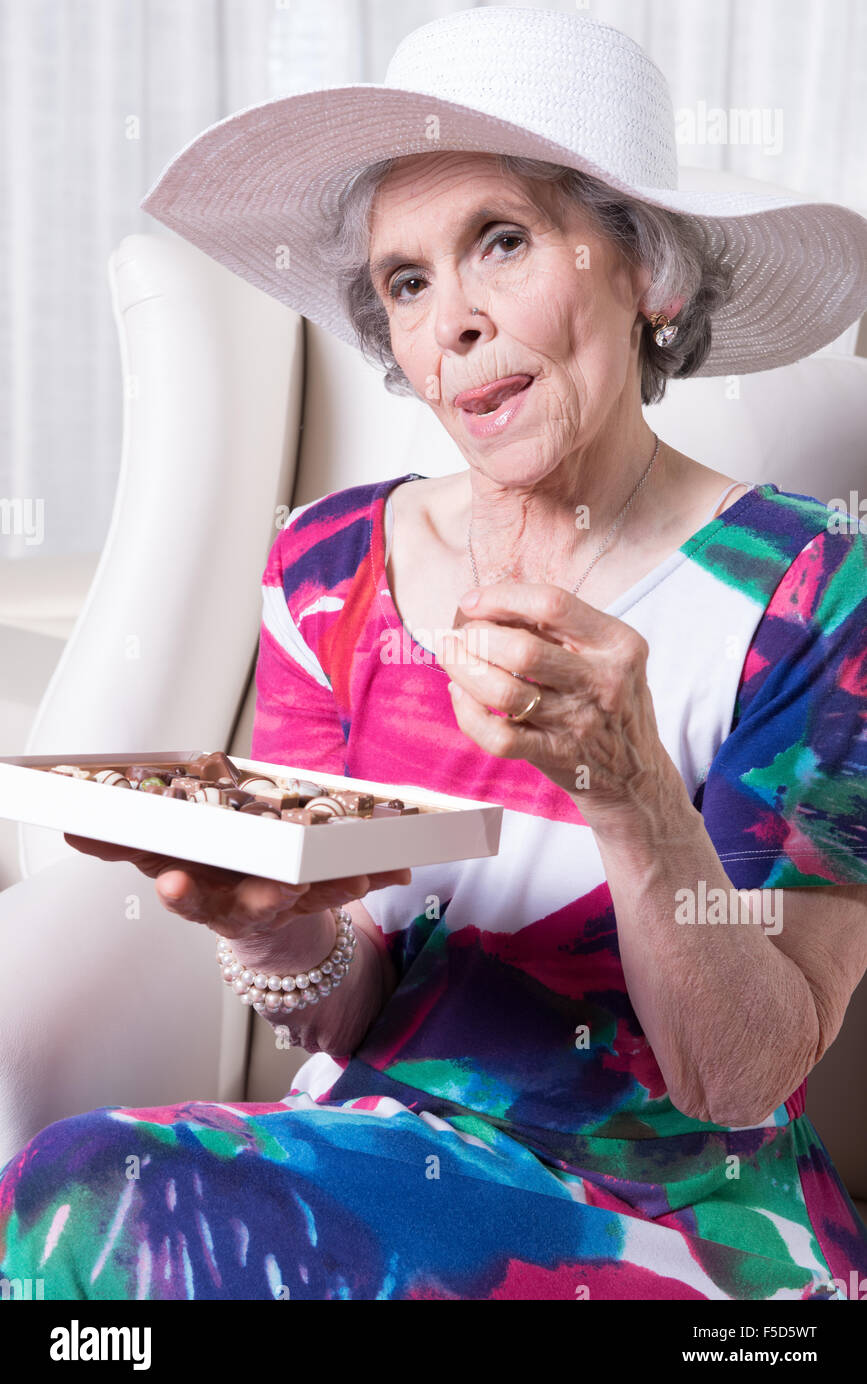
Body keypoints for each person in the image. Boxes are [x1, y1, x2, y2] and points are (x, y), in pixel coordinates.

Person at [2, 5, 867, 1301]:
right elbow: (346, 1007)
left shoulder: (814, 587)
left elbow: (738, 1078)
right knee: (63, 1186)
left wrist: (632, 789)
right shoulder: (329, 562)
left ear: (649, 273)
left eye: (500, 242)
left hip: (672, 1204)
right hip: (374, 1144)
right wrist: (278, 918)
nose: (449, 320)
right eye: (408, 281)